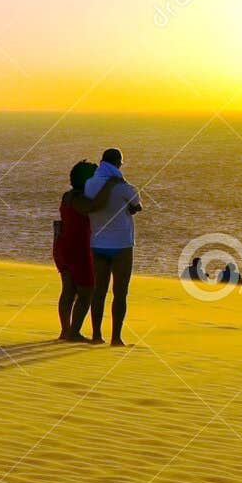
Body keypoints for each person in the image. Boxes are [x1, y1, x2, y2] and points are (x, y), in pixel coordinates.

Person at [84, 148, 141, 346]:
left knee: (98, 291)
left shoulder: (90, 184)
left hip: (97, 242)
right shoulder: (123, 186)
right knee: (120, 292)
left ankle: (96, 335)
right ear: (118, 164)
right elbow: (136, 206)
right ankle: (116, 337)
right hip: (121, 244)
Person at [54, 160, 111, 341]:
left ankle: (66, 331)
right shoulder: (80, 199)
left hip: (63, 245)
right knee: (86, 291)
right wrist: (108, 188)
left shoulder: (68, 196)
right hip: (78, 248)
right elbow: (94, 207)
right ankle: (73, 332)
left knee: (68, 290)